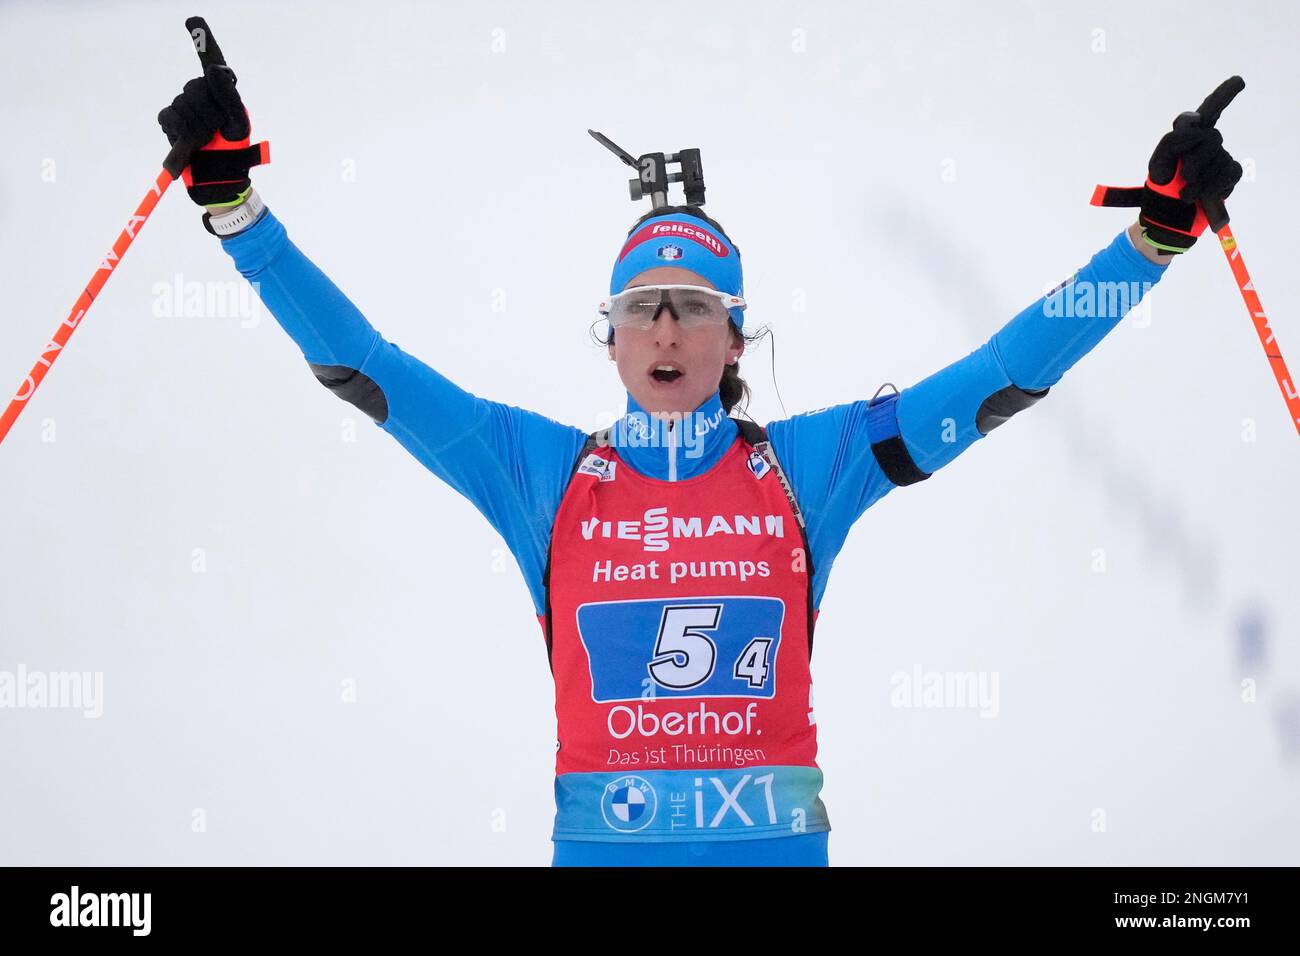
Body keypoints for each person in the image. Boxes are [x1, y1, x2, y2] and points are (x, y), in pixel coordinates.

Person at [157, 55, 1243, 866]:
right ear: (611, 334)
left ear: (735, 337)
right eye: (641, 309)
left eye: (691, 309)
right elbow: (364, 366)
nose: (666, 331)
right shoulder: (536, 470)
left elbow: (999, 375)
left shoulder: (812, 465)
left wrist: (1145, 244)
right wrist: (236, 212)